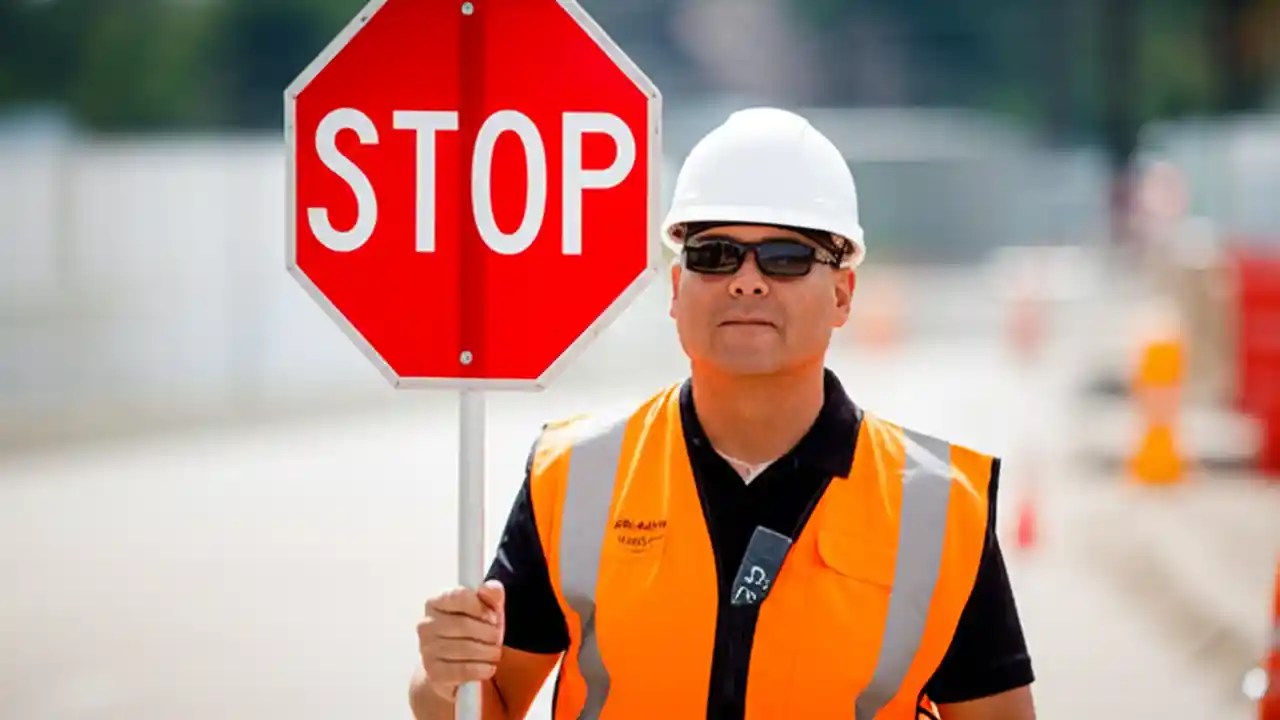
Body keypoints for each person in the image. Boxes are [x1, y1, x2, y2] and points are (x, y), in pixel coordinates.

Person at [409, 107, 1037, 719]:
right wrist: (438, 682)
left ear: (843, 294)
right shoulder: (574, 477)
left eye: (786, 257)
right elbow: (482, 709)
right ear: (677, 291)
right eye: (714, 255)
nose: (747, 281)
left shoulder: (939, 508)